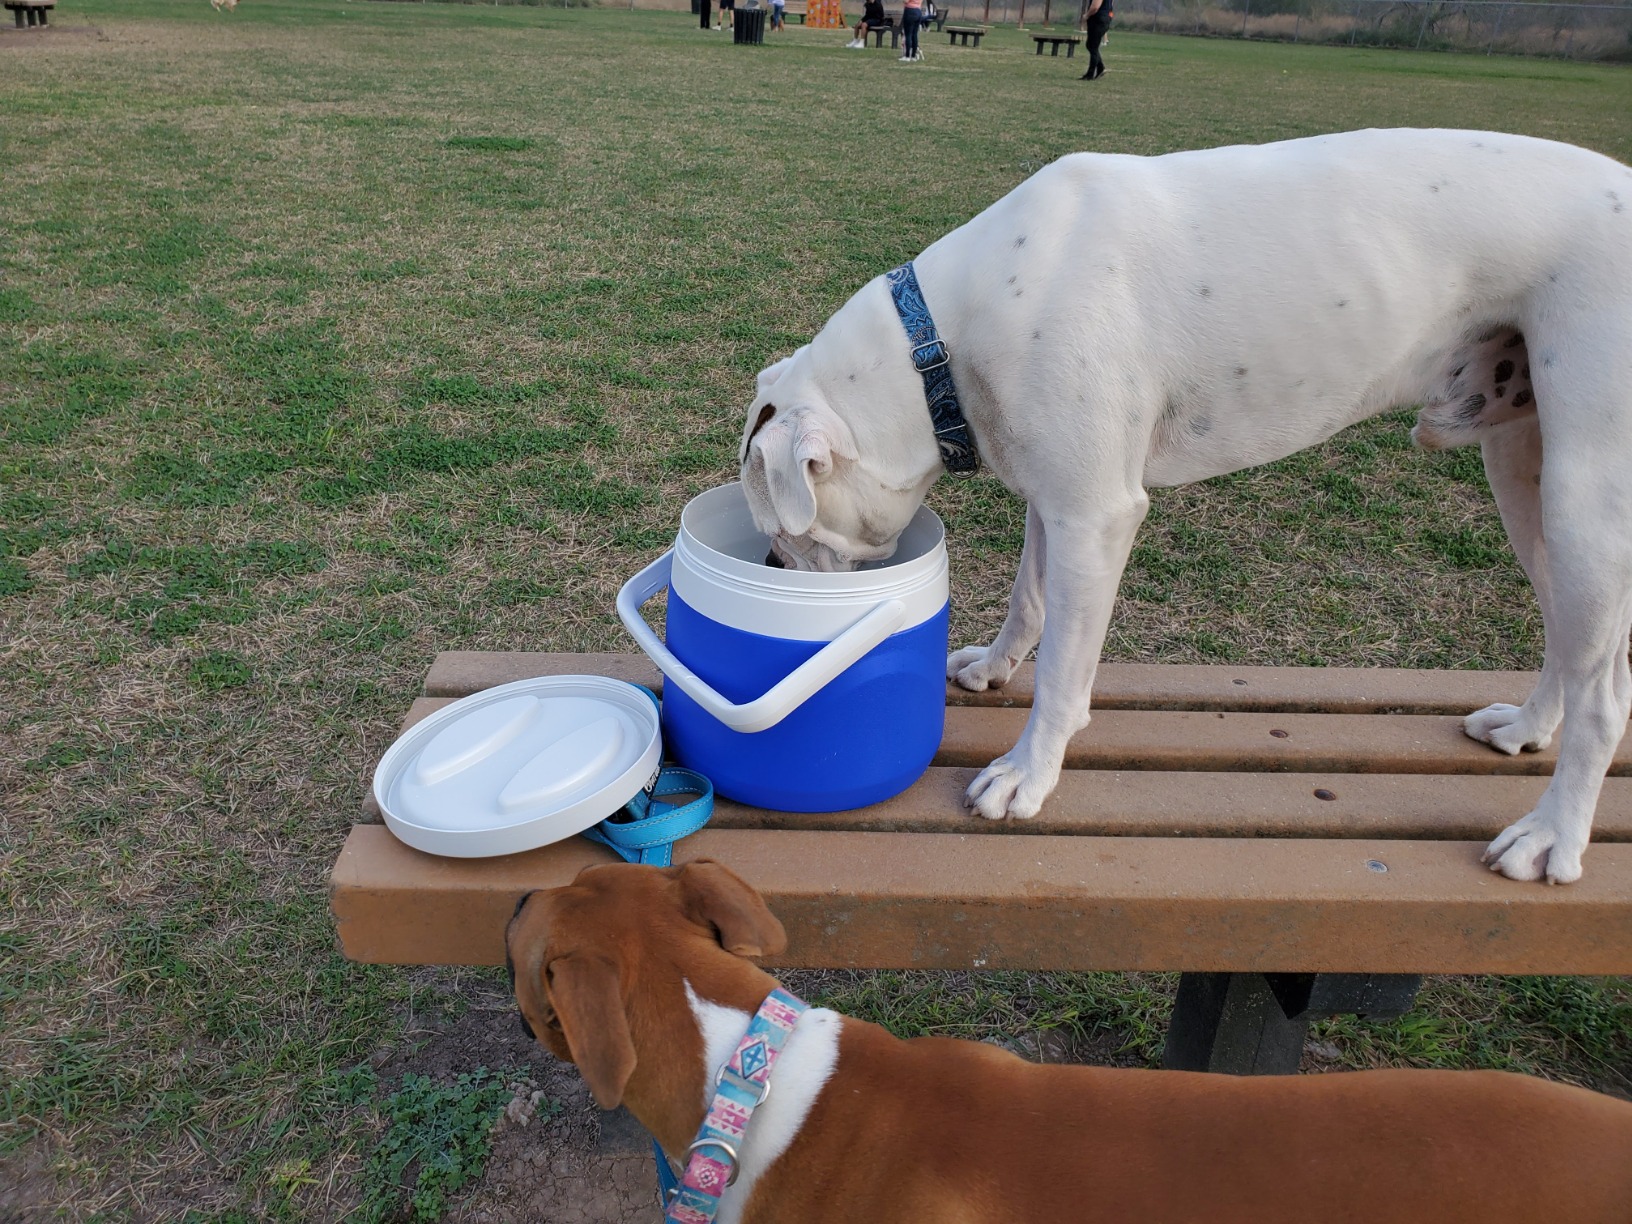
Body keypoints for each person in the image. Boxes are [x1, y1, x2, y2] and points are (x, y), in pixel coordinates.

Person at [1079, 0, 1112, 77]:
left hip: (1098, 19)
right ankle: (1100, 68)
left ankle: (1091, 73)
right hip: (1105, 17)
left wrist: (1086, 15)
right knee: (1091, 45)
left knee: (1092, 46)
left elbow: (1095, 7)